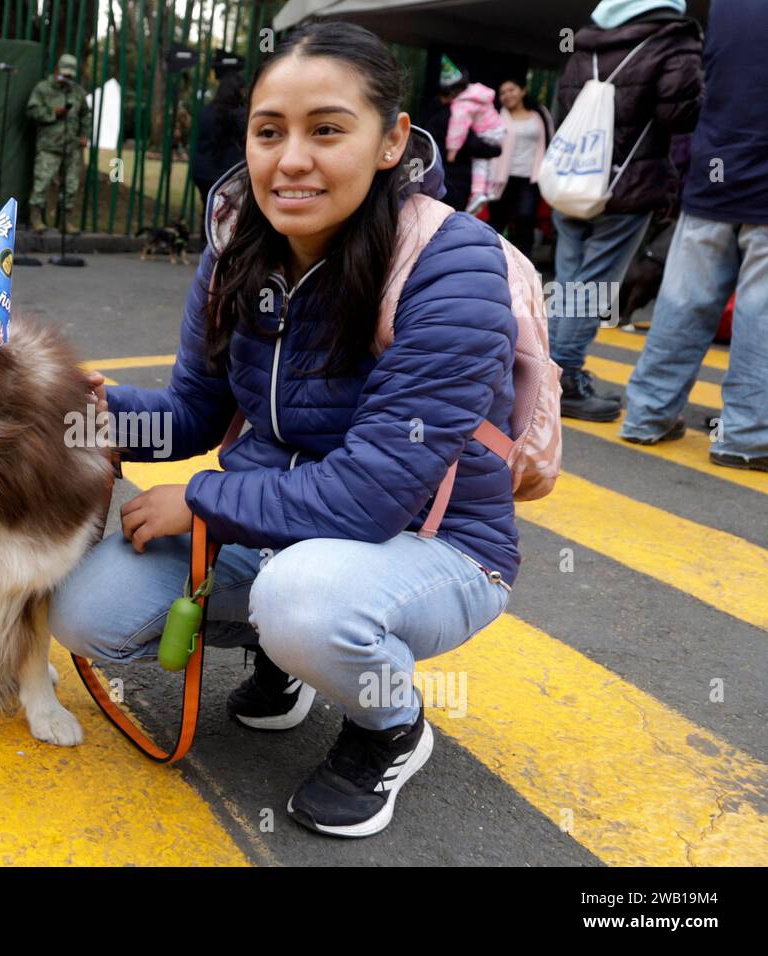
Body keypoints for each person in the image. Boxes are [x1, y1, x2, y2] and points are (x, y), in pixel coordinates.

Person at [51, 19, 519, 839]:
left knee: (303, 600)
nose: (290, 159)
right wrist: (73, 411)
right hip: (272, 524)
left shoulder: (453, 264)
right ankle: (281, 652)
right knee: (82, 611)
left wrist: (200, 500)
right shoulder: (237, 249)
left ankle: (391, 725)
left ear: (391, 141)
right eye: (269, 133)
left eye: (326, 130)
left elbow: (374, 495)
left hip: (436, 546)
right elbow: (192, 412)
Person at [621, 0, 768, 471]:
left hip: (713, 176)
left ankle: (648, 415)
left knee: (683, 304)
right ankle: (744, 436)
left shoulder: (727, 7)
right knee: (760, 316)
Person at [547, 0, 703, 421]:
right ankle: (563, 380)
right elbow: (680, 114)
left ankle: (546, 372)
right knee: (594, 285)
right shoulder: (674, 40)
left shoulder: (585, 42)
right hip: (625, 186)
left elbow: (565, 103)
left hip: (572, 179)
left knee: (570, 281)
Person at [421, 67, 503, 214]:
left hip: (431, 178)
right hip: (454, 182)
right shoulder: (453, 114)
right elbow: (473, 145)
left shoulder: (429, 112)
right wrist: (496, 149)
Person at [25, 53, 90, 234]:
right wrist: (53, 113)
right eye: (64, 74)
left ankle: (65, 221)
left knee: (71, 185)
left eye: (70, 76)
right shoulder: (43, 89)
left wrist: (84, 134)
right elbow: (32, 111)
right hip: (49, 146)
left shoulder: (77, 92)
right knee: (42, 182)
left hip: (71, 145)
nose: (66, 79)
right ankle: (36, 218)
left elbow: (85, 114)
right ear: (56, 70)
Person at [487, 77, 552, 256]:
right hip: (500, 178)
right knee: (497, 222)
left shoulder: (540, 114)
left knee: (525, 219)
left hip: (530, 178)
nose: (507, 95)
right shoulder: (496, 117)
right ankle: (494, 260)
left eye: (511, 90)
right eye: (503, 92)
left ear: (523, 91)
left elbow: (550, 142)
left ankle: (525, 263)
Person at [190, 68, 245, 222]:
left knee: (208, 211)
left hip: (202, 172)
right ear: (238, 91)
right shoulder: (241, 116)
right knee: (228, 216)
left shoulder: (204, 112)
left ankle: (205, 241)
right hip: (228, 174)